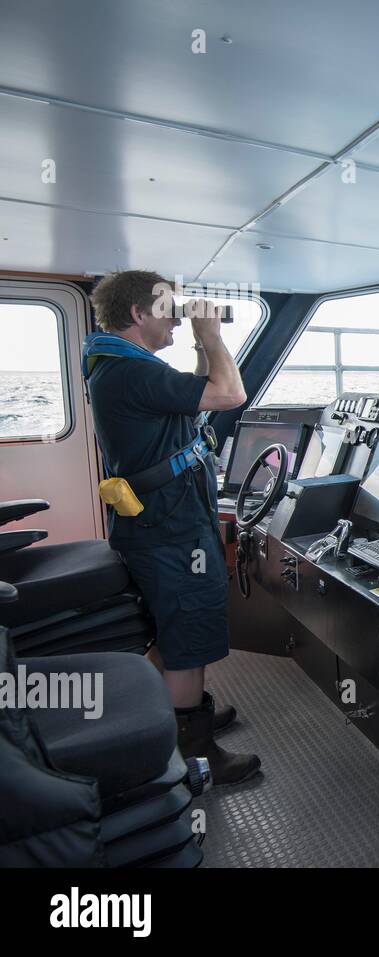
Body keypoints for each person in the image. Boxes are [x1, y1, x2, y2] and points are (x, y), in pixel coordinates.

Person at [83, 270, 261, 786]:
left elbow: (202, 387)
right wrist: (213, 336)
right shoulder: (131, 372)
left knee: (173, 627)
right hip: (171, 532)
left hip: (160, 525)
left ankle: (172, 716)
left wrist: (203, 348)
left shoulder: (119, 364)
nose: (176, 321)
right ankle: (192, 754)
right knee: (188, 635)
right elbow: (229, 394)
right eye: (168, 309)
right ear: (138, 315)